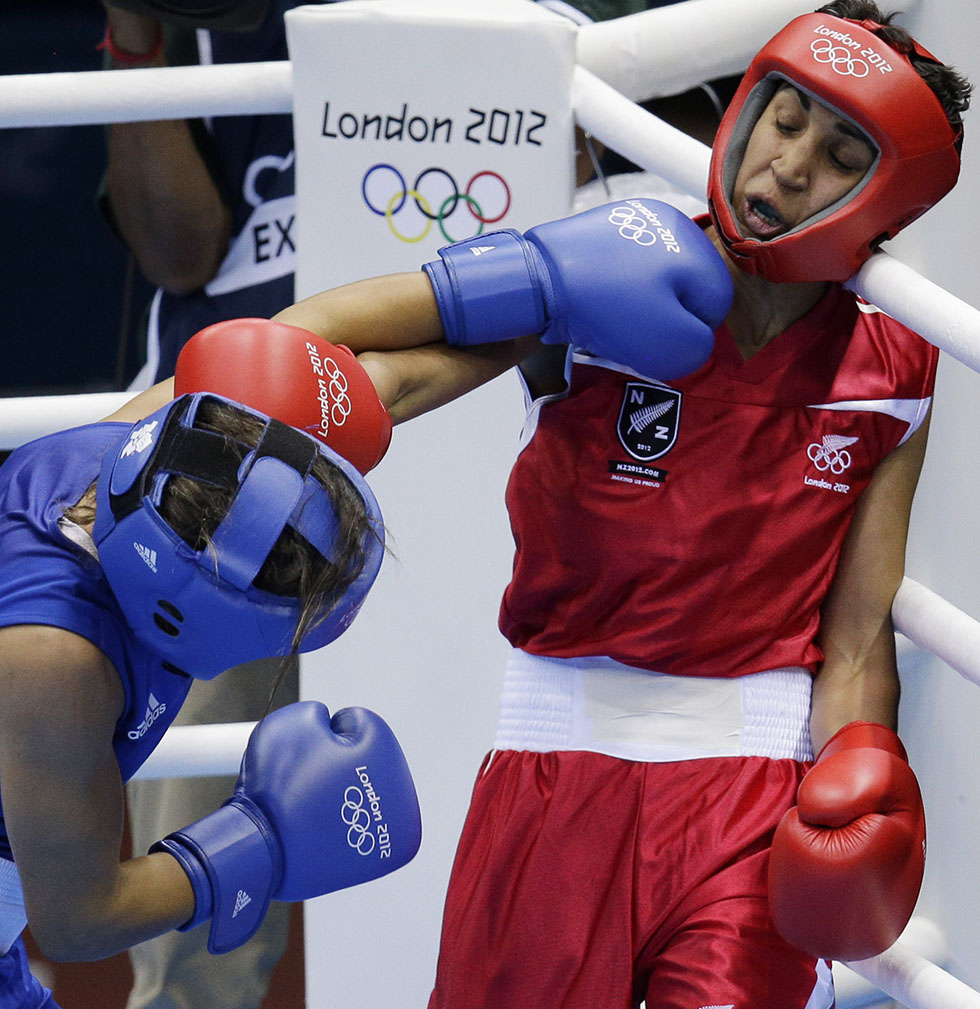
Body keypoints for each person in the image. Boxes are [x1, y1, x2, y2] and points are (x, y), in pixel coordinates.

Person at [244, 2, 967, 1005]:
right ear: (746, 108)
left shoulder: (892, 368)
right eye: (785, 118)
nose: (790, 164)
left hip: (747, 800)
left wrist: (858, 771)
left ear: (886, 196)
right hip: (554, 768)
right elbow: (397, 378)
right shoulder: (614, 268)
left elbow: (852, 639)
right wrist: (253, 399)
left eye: (841, 152)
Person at [0, 352, 421, 1008]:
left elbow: (347, 345)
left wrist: (526, 290)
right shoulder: (56, 660)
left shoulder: (176, 444)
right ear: (194, 615)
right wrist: (259, 839)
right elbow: (77, 918)